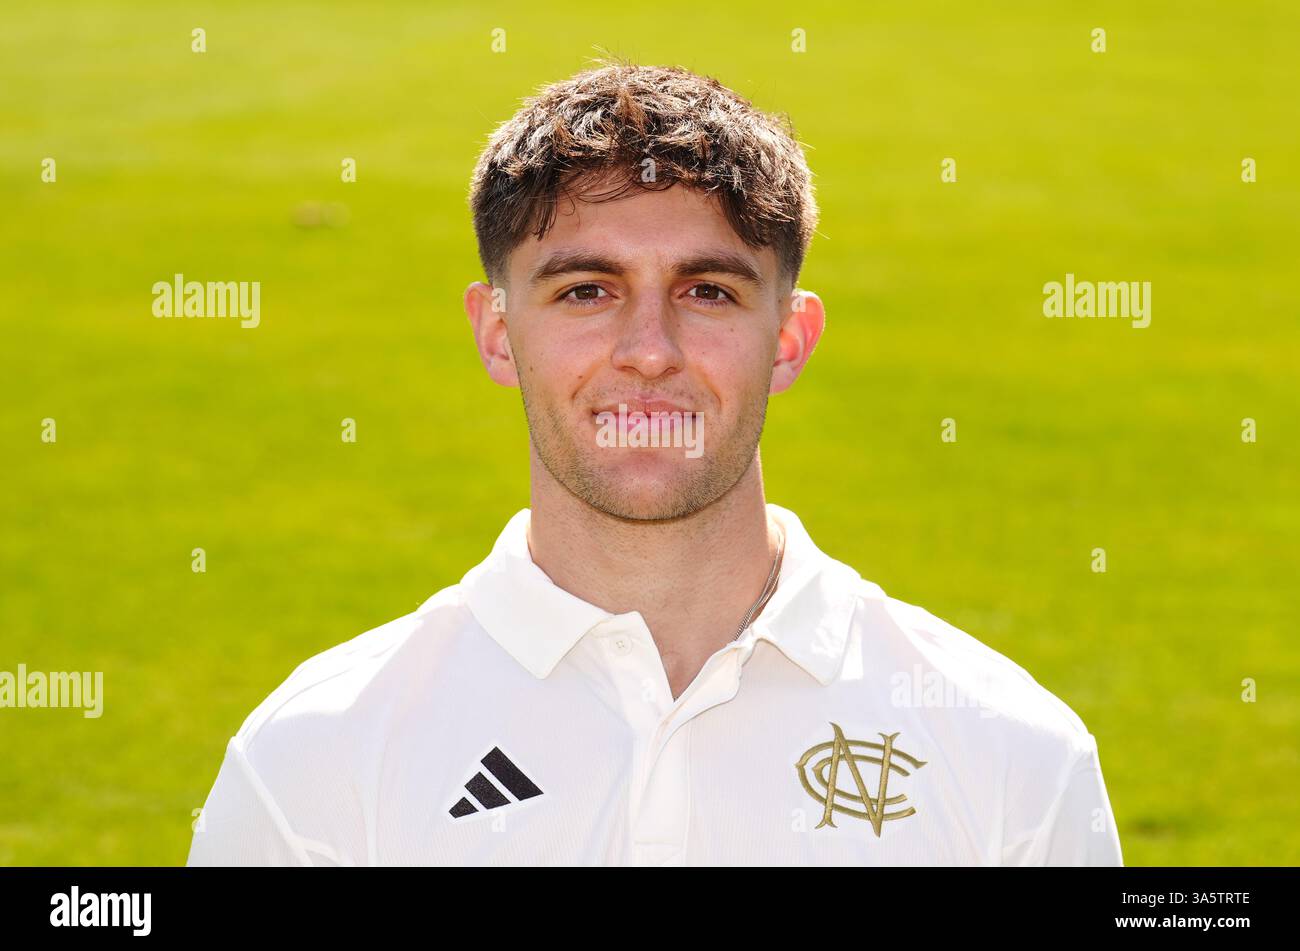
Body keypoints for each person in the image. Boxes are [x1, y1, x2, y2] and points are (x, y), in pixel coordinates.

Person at [188, 62, 1122, 865]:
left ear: (790, 340)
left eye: (706, 291)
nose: (648, 349)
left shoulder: (1012, 753)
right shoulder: (312, 762)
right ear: (498, 333)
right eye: (586, 290)